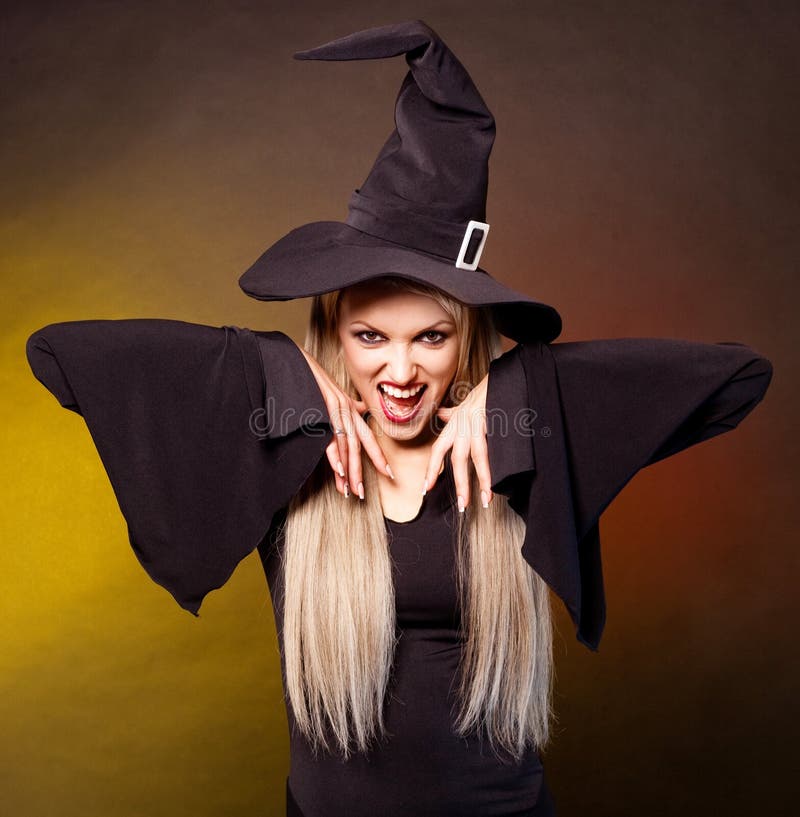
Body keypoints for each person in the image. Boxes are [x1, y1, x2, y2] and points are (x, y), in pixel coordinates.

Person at [24, 20, 773, 817]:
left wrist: (521, 391)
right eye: (370, 337)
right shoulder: (285, 441)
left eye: (433, 337)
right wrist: (277, 367)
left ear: (468, 339)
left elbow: (738, 381)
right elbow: (57, 354)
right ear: (335, 335)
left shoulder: (517, 446)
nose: (402, 369)